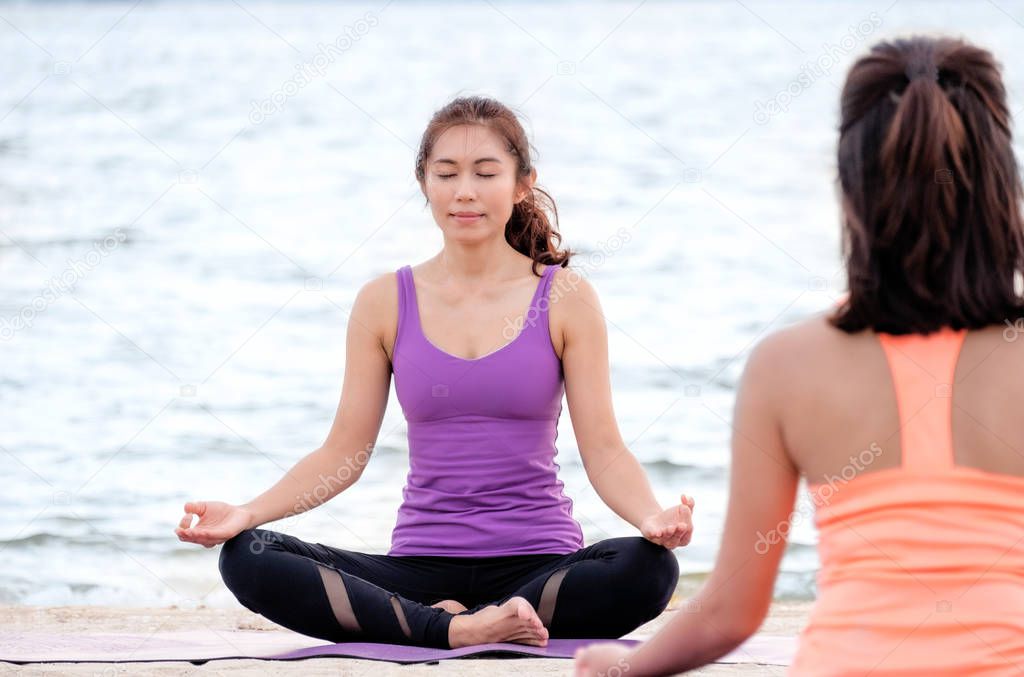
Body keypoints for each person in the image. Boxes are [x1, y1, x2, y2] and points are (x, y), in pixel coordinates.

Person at [175, 96, 693, 650]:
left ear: (522, 184)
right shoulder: (384, 301)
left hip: (540, 567)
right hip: (418, 569)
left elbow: (606, 450)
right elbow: (342, 455)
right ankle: (459, 625)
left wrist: (651, 516)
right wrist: (246, 512)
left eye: (485, 173)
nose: (464, 191)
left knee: (648, 568)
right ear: (424, 182)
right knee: (249, 556)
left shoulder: (564, 296)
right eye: (446, 174)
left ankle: (445, 622)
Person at [576, 36, 1024, 676]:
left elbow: (731, 612)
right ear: (1002, 184)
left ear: (851, 188)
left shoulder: (787, 365)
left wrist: (622, 667)